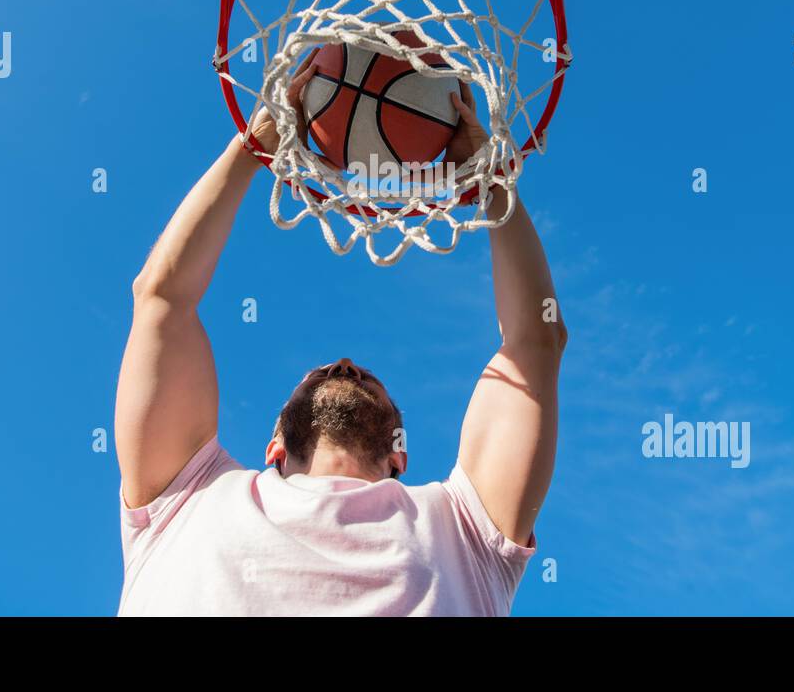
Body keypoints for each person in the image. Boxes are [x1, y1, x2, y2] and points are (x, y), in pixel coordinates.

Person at [114, 64, 566, 615]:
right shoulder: (187, 495)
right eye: (336, 371)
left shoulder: (464, 529)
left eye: (354, 374)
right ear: (275, 442)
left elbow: (536, 340)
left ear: (402, 453)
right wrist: (257, 143)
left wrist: (490, 184)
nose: (346, 365)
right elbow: (159, 298)